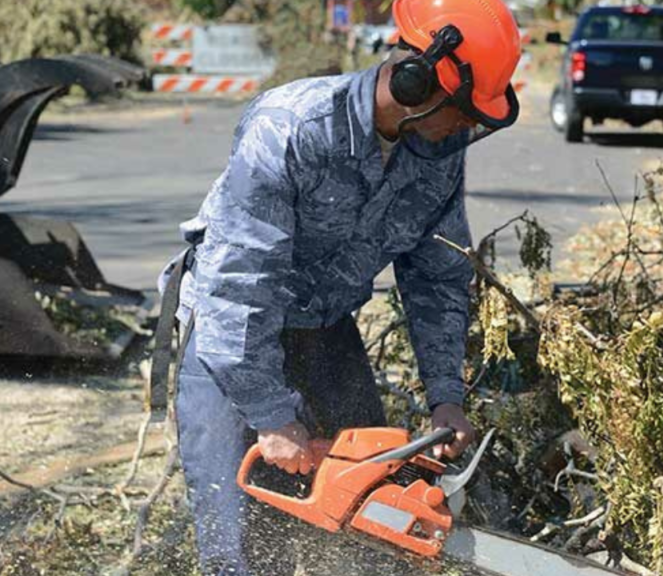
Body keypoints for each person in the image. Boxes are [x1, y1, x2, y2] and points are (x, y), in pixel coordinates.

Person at [156, 0, 521, 572]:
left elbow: (437, 275)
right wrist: (272, 416)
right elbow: (239, 284)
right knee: (240, 547)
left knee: (375, 519)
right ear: (414, 82)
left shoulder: (439, 152)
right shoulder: (292, 126)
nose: (468, 127)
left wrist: (444, 395)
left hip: (326, 327)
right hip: (231, 344)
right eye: (462, 111)